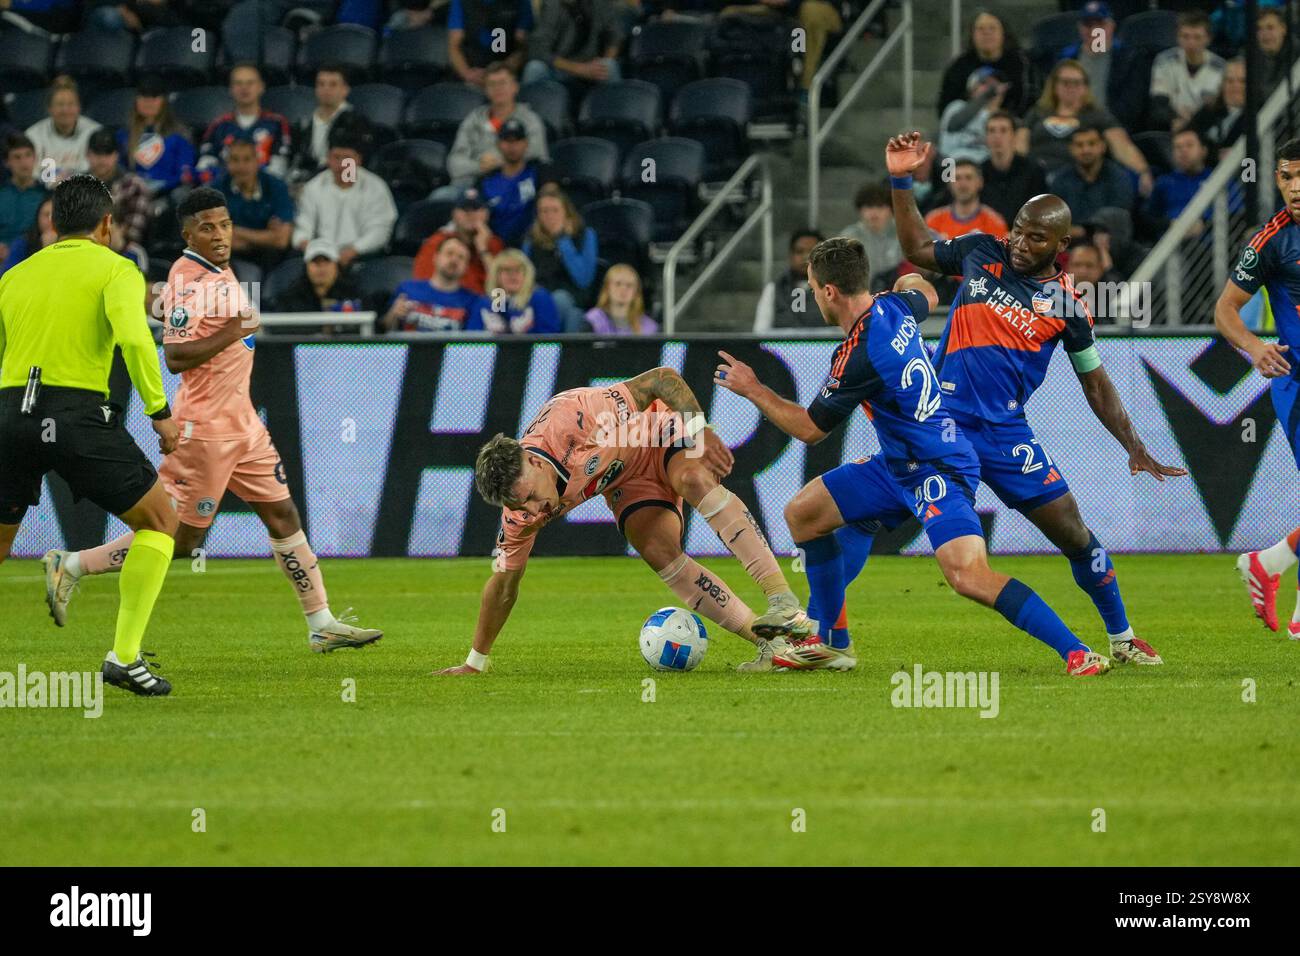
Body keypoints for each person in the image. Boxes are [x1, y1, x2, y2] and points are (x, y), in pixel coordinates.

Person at [715, 241, 1113, 675]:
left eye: (812, 288)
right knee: (804, 513)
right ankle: (831, 643)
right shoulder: (892, 307)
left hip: (937, 467)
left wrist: (753, 388)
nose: (812, 296)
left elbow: (810, 429)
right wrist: (907, 279)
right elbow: (927, 293)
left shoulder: (859, 352)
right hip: (898, 463)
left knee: (967, 575)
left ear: (830, 291)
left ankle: (1076, 651)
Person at [887, 129, 1186, 666]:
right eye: (1020, 233)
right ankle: (826, 628)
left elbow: (1095, 383)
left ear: (1061, 247)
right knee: (865, 512)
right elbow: (914, 248)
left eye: (1036, 240)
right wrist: (901, 179)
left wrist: (1134, 445)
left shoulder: (1069, 306)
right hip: (942, 426)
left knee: (1073, 533)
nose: (1022, 246)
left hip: (1005, 435)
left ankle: (1121, 637)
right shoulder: (982, 250)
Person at [48, 187, 382, 654]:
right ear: (188, 233)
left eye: (224, 224)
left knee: (282, 514)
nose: (220, 234)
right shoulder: (186, 280)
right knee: (180, 540)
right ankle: (73, 565)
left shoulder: (221, 271)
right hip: (204, 431)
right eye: (207, 226)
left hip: (243, 425)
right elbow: (177, 355)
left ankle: (321, 622)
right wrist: (233, 329)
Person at [433, 368, 812, 675]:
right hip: (626, 478)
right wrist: (475, 662)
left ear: (533, 460)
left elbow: (662, 379)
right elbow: (502, 586)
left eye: (532, 497)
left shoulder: (575, 419)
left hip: (657, 432)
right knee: (657, 550)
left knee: (695, 479)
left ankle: (784, 601)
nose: (534, 512)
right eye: (522, 507)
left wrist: (701, 432)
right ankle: (775, 644)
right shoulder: (519, 515)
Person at [0, 175, 178, 696]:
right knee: (161, 522)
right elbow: (135, 339)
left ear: (53, 224)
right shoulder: (117, 269)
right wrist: (159, 410)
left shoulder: (13, 277)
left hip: (11, 411)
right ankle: (124, 657)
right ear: (106, 224)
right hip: (75, 415)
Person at [1219, 139, 1300, 637]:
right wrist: (1253, 346)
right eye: (1287, 178)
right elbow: (1224, 309)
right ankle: (1268, 564)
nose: (1295, 188)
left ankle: (1277, 579)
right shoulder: (1272, 241)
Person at [1019, 59, 1154, 192]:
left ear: (1085, 87)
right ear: (1054, 86)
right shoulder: (1037, 112)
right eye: (1065, 83)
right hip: (1037, 176)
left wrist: (1143, 170)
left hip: (1076, 180)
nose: (1071, 88)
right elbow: (1019, 145)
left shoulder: (1097, 115)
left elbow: (1122, 146)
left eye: (1077, 83)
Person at [293, 126, 398, 268]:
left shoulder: (376, 187)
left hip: (363, 258)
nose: (342, 165)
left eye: (347, 158)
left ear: (358, 160)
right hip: (320, 258)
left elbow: (380, 231)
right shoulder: (314, 187)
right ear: (328, 159)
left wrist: (353, 251)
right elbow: (303, 224)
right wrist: (307, 245)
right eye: (336, 157)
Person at [443, 63, 549, 200]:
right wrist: (480, 166)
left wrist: (497, 162)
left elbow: (537, 153)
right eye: (492, 84)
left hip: (514, 183)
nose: (498, 88)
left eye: (502, 83)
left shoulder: (529, 119)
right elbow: (454, 163)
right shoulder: (474, 119)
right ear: (485, 90)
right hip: (472, 185)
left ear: (515, 87)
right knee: (442, 196)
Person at [1055, 1, 1148, 131]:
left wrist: (1101, 123)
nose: (1094, 30)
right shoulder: (1066, 58)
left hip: (1113, 127)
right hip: (1071, 124)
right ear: (1080, 28)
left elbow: (1131, 106)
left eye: (1100, 24)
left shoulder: (1130, 58)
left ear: (1111, 26)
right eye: (1088, 25)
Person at [197, 63, 293, 182]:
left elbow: (279, 166)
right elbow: (205, 164)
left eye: (250, 83)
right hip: (224, 189)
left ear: (261, 87)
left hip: (263, 191)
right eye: (238, 83)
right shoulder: (219, 124)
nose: (244, 88)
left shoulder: (277, 123)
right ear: (231, 89)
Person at [522, 183, 598, 332]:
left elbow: (584, 279)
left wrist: (563, 240)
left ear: (566, 212)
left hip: (574, 299)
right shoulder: (530, 239)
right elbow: (525, 278)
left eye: (555, 210)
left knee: (561, 301)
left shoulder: (585, 235)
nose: (550, 216)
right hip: (538, 299)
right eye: (544, 211)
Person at [215, 137, 295, 269]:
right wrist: (267, 237)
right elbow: (219, 241)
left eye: (247, 159)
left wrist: (237, 231)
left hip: (274, 260)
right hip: (232, 260)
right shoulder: (216, 190)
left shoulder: (276, 187)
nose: (241, 167)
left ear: (257, 161)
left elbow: (281, 240)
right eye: (235, 160)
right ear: (227, 163)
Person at [937, 10, 1032, 118]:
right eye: (980, 29)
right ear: (972, 35)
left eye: (992, 28)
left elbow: (1028, 102)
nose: (986, 33)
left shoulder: (1021, 63)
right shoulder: (958, 67)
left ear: (1003, 34)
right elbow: (946, 107)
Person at [1046, 126, 1134, 238]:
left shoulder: (1119, 178)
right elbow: (1054, 221)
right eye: (1079, 145)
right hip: (1068, 243)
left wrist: (1083, 231)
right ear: (1071, 149)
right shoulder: (1061, 180)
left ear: (1103, 146)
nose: (1086, 150)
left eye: (1092, 144)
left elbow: (1117, 221)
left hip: (1108, 242)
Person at [412, 188, 503, 294]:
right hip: (448, 306)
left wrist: (483, 251)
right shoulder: (438, 242)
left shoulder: (494, 244)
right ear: (454, 214)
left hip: (483, 308)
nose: (470, 214)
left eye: (476, 208)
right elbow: (423, 286)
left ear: (487, 214)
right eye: (465, 209)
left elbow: (501, 293)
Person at [477, 118, 552, 247]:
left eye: (517, 140)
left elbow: (552, 199)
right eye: (507, 140)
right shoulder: (486, 181)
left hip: (534, 246)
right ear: (498, 144)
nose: (512, 146)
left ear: (526, 143)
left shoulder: (539, 172)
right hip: (497, 249)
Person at [116, 75, 196, 195]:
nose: (148, 101)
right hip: (133, 194)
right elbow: (118, 169)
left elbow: (185, 173)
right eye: (143, 95)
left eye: (154, 96)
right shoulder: (123, 135)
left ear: (164, 100)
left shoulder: (180, 134)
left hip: (169, 194)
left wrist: (159, 186)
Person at [1149, 11, 1226, 132]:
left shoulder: (1221, 67)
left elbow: (1219, 108)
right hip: (1170, 125)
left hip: (1206, 129)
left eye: (1197, 37)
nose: (1191, 43)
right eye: (1185, 36)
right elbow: (1160, 102)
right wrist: (1174, 118)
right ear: (1177, 37)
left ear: (1208, 39)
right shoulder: (1164, 61)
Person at [384, 234, 479, 332]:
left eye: (461, 257)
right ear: (436, 257)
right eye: (449, 253)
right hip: (410, 347)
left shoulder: (472, 302)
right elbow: (383, 329)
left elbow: (473, 342)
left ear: (466, 267)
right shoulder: (407, 289)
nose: (454, 260)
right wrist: (393, 314)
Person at [523, 0, 624, 88]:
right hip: (560, 67)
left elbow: (615, 36)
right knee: (534, 68)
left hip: (592, 64)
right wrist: (579, 69)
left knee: (609, 65)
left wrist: (604, 61)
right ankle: (524, 109)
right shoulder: (551, 4)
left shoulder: (600, 2)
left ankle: (617, 109)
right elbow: (538, 49)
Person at [85, 129, 152, 260]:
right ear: (88, 155)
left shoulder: (133, 185)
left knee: (114, 235)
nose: (102, 159)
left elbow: (134, 232)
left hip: (121, 247)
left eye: (107, 154)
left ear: (116, 155)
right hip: (83, 243)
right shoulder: (76, 184)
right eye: (97, 154)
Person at [25, 76, 102, 182]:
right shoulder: (33, 134)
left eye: (70, 104)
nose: (65, 110)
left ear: (79, 107)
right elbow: (29, 172)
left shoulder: (95, 132)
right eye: (60, 105)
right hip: (42, 192)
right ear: (49, 108)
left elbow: (98, 170)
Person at [980, 111, 1047, 228]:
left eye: (1003, 130)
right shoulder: (979, 172)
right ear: (986, 137)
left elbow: (1040, 212)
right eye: (992, 131)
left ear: (1014, 136)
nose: (997, 136)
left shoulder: (1033, 171)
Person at [469, 248, 561, 333]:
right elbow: (470, 342)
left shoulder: (540, 298)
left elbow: (549, 340)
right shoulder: (484, 303)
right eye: (506, 270)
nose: (512, 275)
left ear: (526, 274)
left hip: (529, 350)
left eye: (518, 270)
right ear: (496, 275)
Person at [448, 0, 535, 85]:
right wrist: (467, 74)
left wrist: (501, 72)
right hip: (470, 71)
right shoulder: (460, 2)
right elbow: (454, 47)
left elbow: (522, 48)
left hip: (506, 72)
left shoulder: (521, 2)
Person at [837, 183, 903, 292]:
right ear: (860, 210)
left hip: (900, 294)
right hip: (861, 296)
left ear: (891, 210)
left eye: (880, 206)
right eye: (869, 207)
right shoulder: (848, 237)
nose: (874, 212)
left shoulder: (904, 233)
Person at [268, 239, 363, 314]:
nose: (321, 267)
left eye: (326, 260)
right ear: (306, 267)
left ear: (337, 266)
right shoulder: (289, 299)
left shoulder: (354, 297)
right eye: (315, 261)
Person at [938, 66, 1008, 165]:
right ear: (972, 87)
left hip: (983, 170)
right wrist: (987, 95)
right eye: (985, 84)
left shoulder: (1003, 119)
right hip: (951, 166)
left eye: (995, 85)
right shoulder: (956, 106)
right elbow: (954, 124)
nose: (992, 89)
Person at [754, 229, 823, 330]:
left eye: (812, 252)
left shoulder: (835, 291)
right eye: (799, 252)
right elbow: (760, 332)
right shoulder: (773, 289)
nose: (806, 257)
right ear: (790, 256)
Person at [293, 64, 353, 180]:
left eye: (333, 84)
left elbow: (350, 172)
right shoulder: (305, 124)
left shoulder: (356, 123)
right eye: (321, 84)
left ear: (345, 90)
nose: (326, 89)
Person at [924, 159, 1008, 241]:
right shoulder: (933, 221)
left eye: (968, 177)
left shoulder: (994, 223)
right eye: (957, 178)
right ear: (949, 184)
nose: (963, 184)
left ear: (980, 182)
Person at [0, 135, 47, 266]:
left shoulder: (46, 197)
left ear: (35, 158)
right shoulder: (2, 194)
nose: (24, 162)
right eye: (17, 157)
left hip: (34, 258)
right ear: (7, 162)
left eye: (28, 155)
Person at [1189, 58, 1246, 157]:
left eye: (1242, 81)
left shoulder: (1260, 115)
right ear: (1222, 85)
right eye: (1230, 81)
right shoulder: (1208, 110)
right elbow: (1188, 134)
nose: (1236, 86)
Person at [584, 263, 657, 334]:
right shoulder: (593, 320)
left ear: (636, 292)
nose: (623, 289)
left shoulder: (649, 327)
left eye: (629, 285)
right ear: (607, 288)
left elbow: (666, 345)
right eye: (618, 284)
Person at [0, 197, 55, 275]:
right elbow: (8, 275)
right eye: (46, 215)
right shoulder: (22, 243)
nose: (51, 220)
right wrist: (45, 250)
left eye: (55, 215)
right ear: (37, 217)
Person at [1256, 8, 1289, 94]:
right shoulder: (1251, 58)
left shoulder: (1297, 58)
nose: (1265, 34)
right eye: (1259, 29)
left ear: (1283, 29)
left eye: (1270, 28)